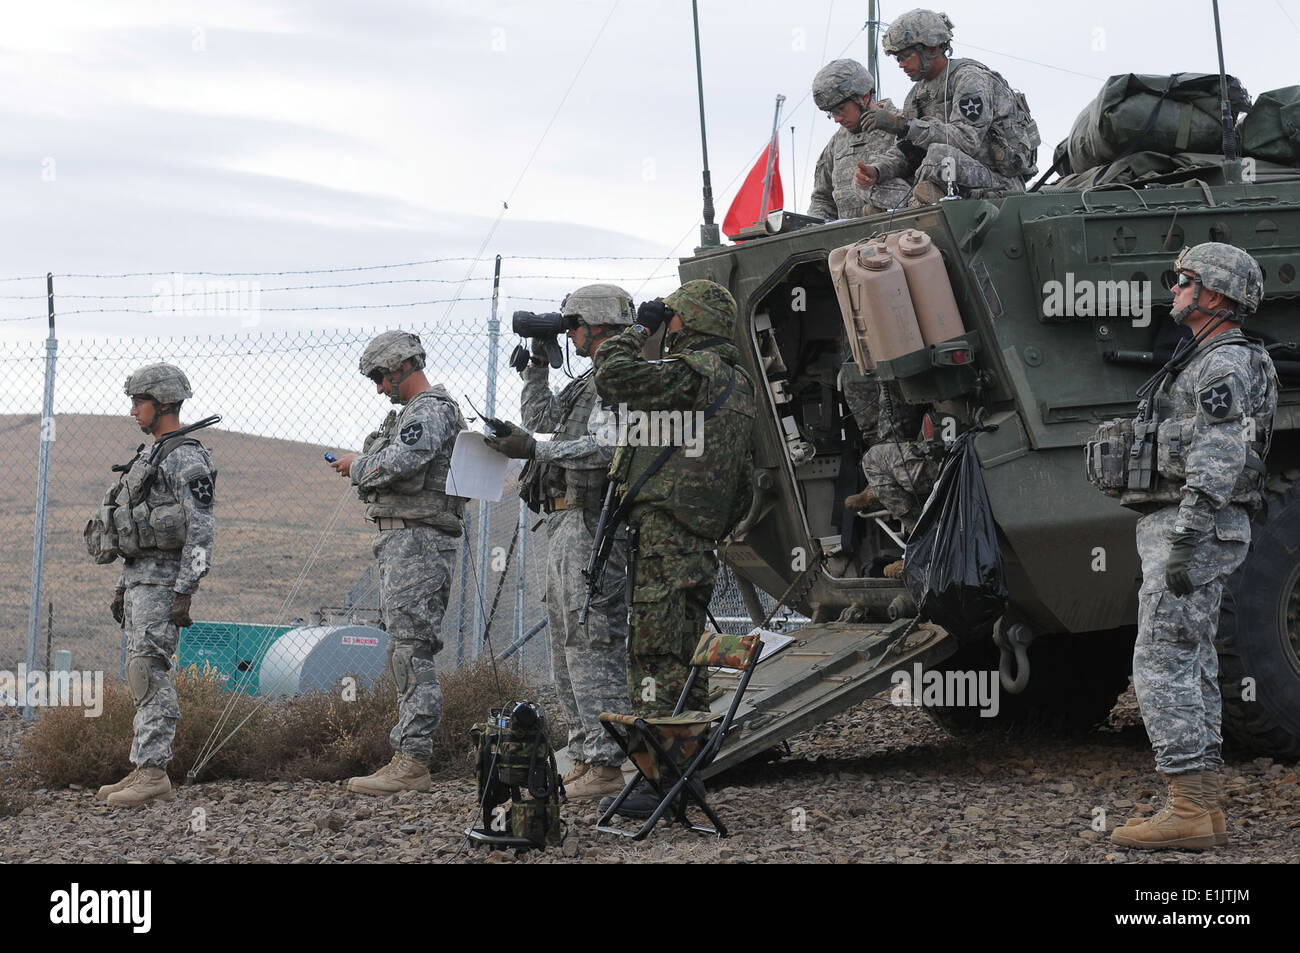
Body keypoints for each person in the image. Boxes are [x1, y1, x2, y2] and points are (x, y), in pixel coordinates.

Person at [1100, 243, 1277, 850]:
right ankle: (1200, 806)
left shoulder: (1221, 365)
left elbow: (1220, 454)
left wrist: (1188, 534)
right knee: (1192, 658)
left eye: (1184, 281)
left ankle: (1185, 809)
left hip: (1192, 527)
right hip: (1190, 527)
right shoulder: (1206, 357)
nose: (1173, 289)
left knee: (1160, 660)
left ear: (1216, 296)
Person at [591, 279, 756, 818]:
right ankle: (689, 775)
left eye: (674, 320)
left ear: (690, 324)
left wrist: (639, 328)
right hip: (699, 538)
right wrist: (706, 523)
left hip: (667, 536)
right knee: (689, 658)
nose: (669, 330)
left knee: (655, 654)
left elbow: (612, 377)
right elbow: (747, 484)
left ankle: (660, 780)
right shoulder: (740, 384)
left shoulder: (691, 375)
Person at [484, 284, 633, 801]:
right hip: (565, 521)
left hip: (594, 521)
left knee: (591, 639)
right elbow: (543, 422)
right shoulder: (593, 377)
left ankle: (608, 763)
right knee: (566, 639)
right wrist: (538, 371)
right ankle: (588, 753)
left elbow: (608, 448)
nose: (569, 334)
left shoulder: (622, 377)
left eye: (573, 326)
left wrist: (537, 451)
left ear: (599, 324)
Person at [330, 331, 467, 795]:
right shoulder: (414, 413)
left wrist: (357, 465)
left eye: (380, 378)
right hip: (404, 541)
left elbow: (404, 461)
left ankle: (413, 760)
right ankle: (408, 755)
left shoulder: (430, 410)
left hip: (419, 542)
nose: (379, 388)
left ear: (399, 367)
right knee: (404, 647)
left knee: (412, 649)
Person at [94, 364, 215, 808]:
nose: (132, 411)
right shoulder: (155, 455)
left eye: (138, 402)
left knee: (151, 673)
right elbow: (135, 535)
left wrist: (186, 590)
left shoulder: (186, 457)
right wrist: (124, 587)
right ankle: (143, 765)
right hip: (143, 579)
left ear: (162, 403)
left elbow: (202, 530)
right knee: (140, 673)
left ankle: (154, 772)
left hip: (164, 584)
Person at [853, 8, 1039, 206]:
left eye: (906, 56)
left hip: (995, 181)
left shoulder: (970, 79)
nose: (901, 64)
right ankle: (912, 204)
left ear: (932, 48)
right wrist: (877, 171)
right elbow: (907, 152)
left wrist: (904, 125)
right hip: (941, 178)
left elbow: (967, 140)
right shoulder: (915, 96)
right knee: (863, 183)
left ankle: (911, 203)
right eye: (898, 58)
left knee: (940, 155)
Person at [808, 58, 912, 219]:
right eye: (831, 112)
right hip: (848, 240)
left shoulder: (903, 125)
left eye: (840, 109)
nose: (836, 118)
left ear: (864, 97)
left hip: (899, 236)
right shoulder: (836, 143)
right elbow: (822, 198)